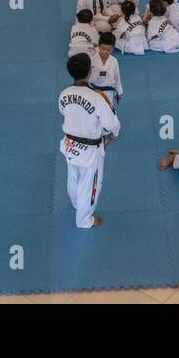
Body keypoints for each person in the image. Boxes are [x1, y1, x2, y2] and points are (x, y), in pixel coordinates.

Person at [59, 53, 120, 229]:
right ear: (90, 72)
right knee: (91, 184)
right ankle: (84, 220)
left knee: (73, 177)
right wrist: (113, 133)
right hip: (90, 150)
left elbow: (65, 112)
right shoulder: (97, 97)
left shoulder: (64, 93)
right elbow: (111, 125)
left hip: (70, 145)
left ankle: (77, 205)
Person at [89, 32, 123, 106]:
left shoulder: (114, 61)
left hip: (108, 92)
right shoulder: (91, 59)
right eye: (103, 48)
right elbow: (85, 77)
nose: (105, 51)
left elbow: (117, 77)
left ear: (113, 48)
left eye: (109, 50)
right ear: (99, 46)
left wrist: (119, 91)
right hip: (93, 90)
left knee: (107, 113)